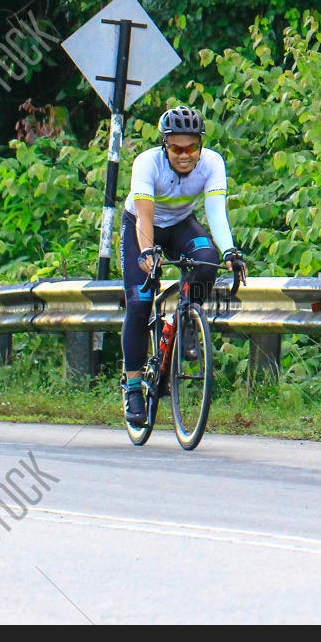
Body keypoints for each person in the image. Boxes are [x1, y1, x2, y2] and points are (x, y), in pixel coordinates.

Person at [121, 106, 247, 424]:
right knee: (139, 302)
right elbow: (144, 216)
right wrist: (147, 252)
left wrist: (230, 250)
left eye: (191, 147)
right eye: (176, 148)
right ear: (165, 146)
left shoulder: (212, 163)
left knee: (208, 261)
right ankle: (133, 388)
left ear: (200, 145)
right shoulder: (147, 163)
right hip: (142, 226)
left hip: (180, 225)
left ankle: (187, 321)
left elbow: (216, 211)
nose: (184, 155)